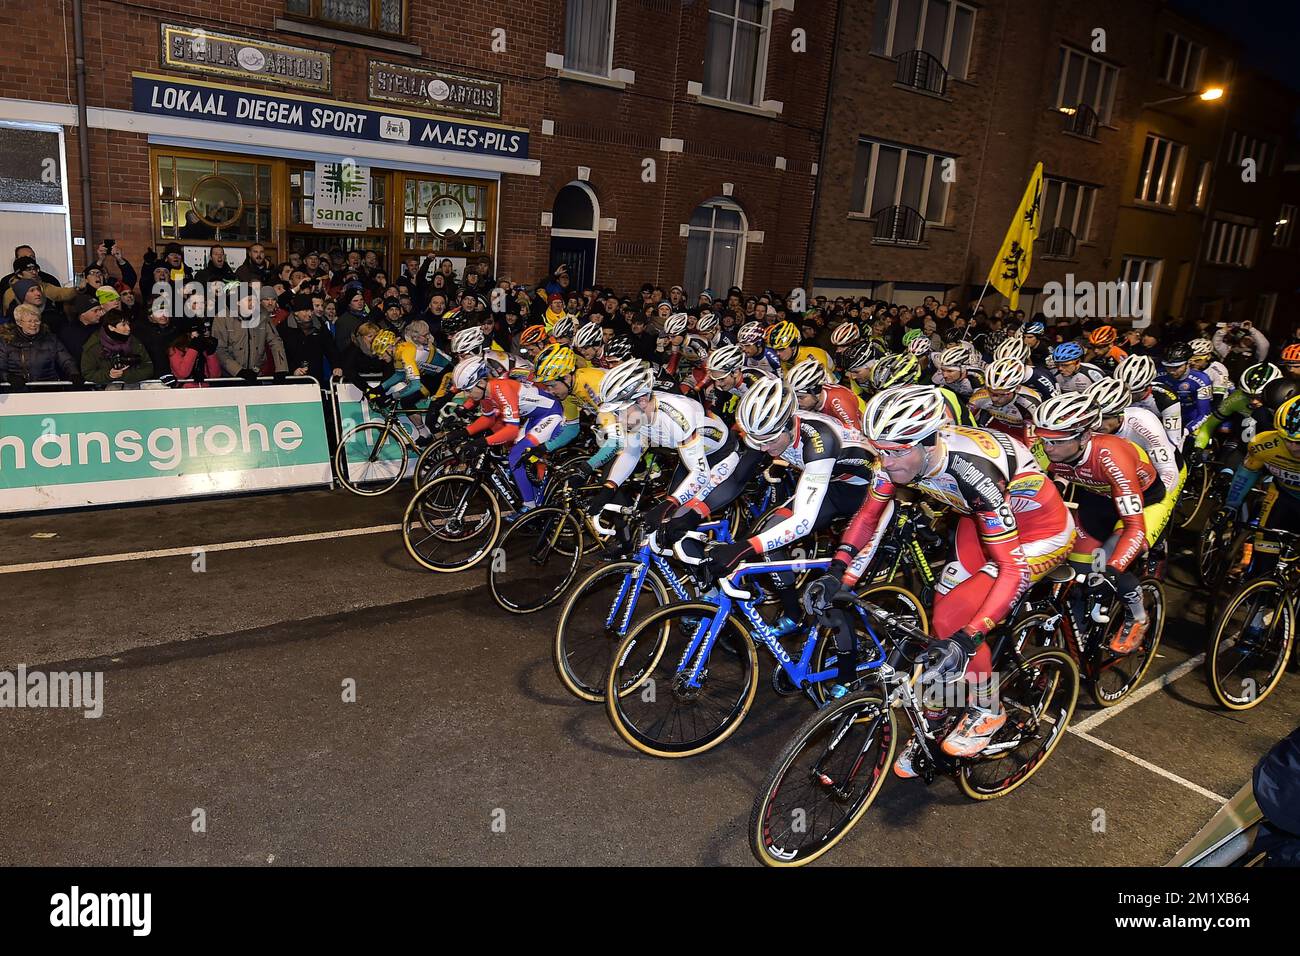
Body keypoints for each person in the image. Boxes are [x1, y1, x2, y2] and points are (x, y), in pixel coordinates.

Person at [810, 384, 1075, 766]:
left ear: (929, 441)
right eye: (880, 450)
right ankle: (939, 715)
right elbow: (868, 518)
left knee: (958, 621)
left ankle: (988, 708)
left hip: (1038, 531)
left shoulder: (972, 473)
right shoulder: (897, 456)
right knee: (940, 619)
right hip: (979, 520)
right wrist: (837, 573)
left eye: (898, 451)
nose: (886, 463)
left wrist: (972, 634)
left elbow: (1013, 567)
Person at [1034, 392, 1162, 655]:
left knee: (1104, 565)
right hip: (1099, 495)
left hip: (1146, 499)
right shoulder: (1052, 451)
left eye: (1057, 442)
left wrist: (1113, 568)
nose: (1048, 448)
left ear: (1083, 437)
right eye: (1043, 439)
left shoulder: (1110, 455)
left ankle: (1138, 618)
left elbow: (1134, 527)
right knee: (1078, 566)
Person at [0, 303, 78, 385]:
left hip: (47, 388)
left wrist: (74, 374)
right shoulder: (6, 341)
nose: (33, 325)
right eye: (29, 321)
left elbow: (66, 361)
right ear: (19, 323)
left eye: (36, 321)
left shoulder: (51, 339)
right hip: (18, 389)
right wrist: (9, 377)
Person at [80, 313, 152, 387]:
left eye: (128, 324)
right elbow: (88, 373)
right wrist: (109, 375)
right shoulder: (94, 346)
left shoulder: (134, 342)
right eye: (123, 325)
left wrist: (125, 374)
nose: (129, 328)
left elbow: (148, 368)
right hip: (105, 391)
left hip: (134, 388)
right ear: (111, 327)